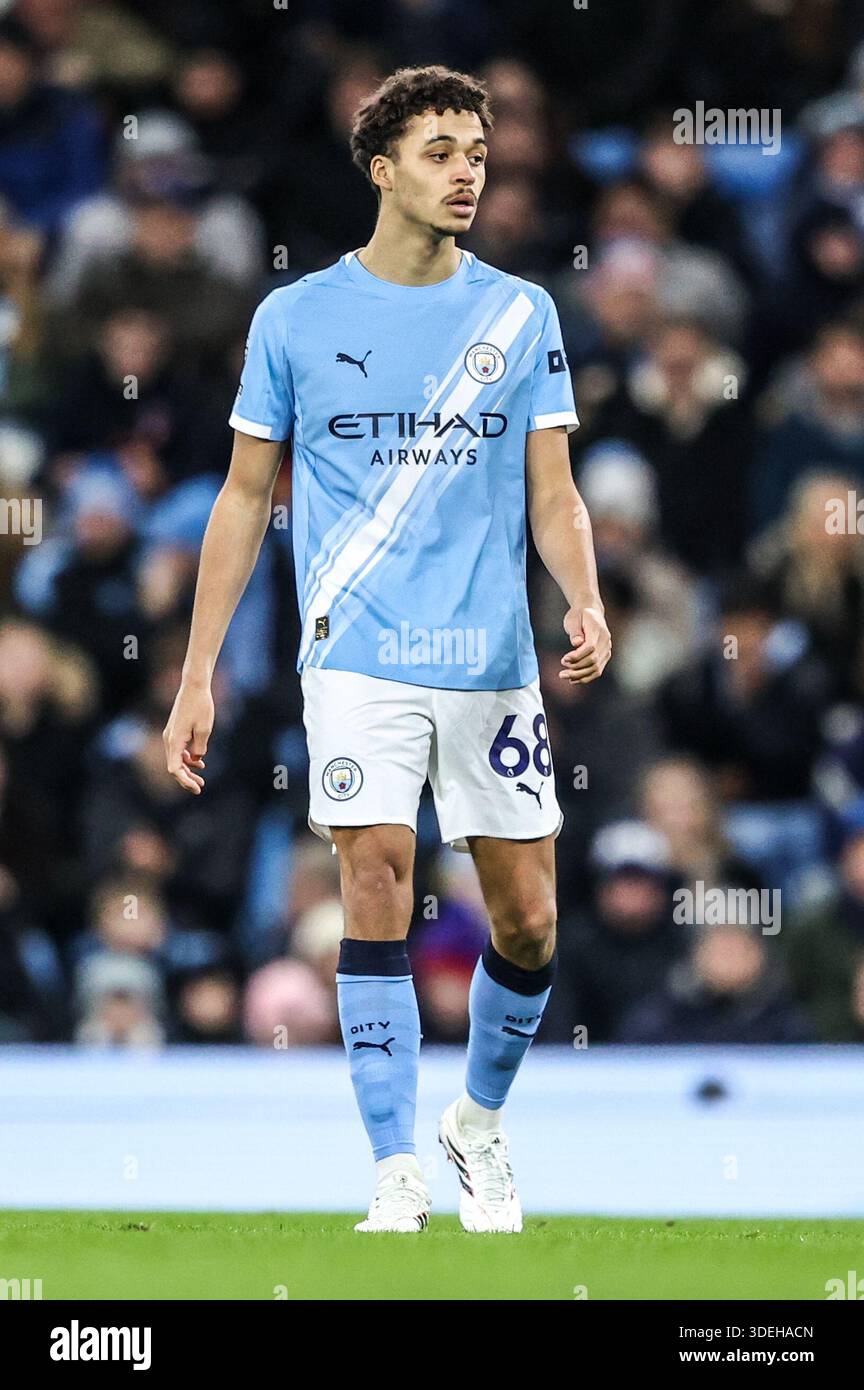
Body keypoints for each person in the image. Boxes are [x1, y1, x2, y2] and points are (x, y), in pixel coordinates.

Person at [163, 65, 611, 1235]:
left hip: (492, 657)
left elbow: (554, 493)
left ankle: (479, 1121)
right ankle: (394, 1164)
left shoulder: (521, 313)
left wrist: (586, 595)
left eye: (477, 151)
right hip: (354, 652)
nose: (468, 171)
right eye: (441, 151)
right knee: (375, 883)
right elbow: (239, 498)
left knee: (528, 922)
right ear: (381, 168)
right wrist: (198, 672)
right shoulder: (295, 318)